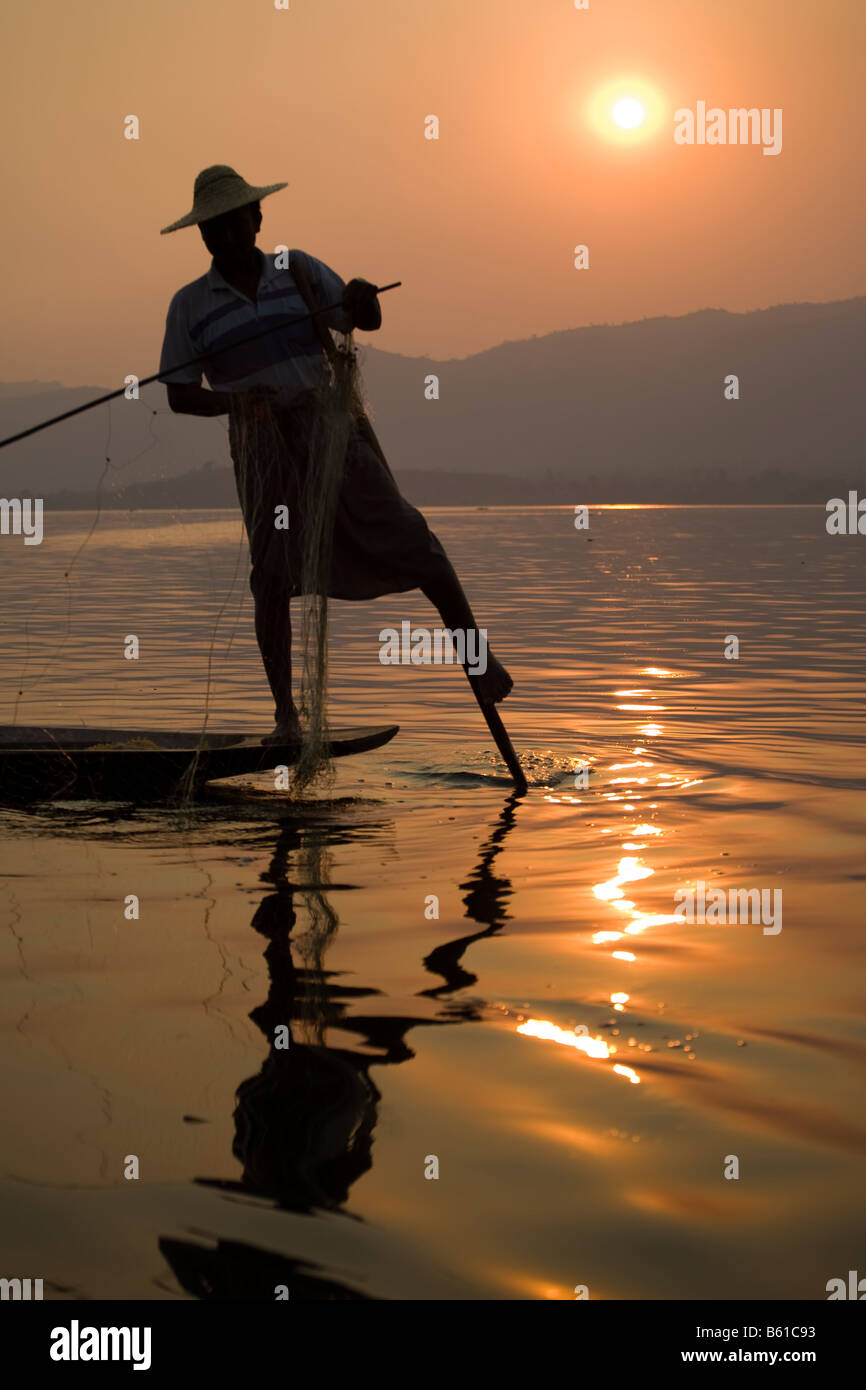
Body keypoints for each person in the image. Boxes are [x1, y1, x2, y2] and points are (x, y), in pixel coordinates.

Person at [158, 165, 512, 743]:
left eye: (232, 223)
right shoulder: (191, 306)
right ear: (202, 236)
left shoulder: (295, 272)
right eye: (211, 229)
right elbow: (179, 397)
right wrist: (238, 402)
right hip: (264, 453)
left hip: (333, 437)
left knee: (417, 542)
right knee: (271, 578)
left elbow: (362, 320)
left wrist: (361, 296)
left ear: (256, 220)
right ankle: (286, 720)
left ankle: (478, 661)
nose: (223, 236)